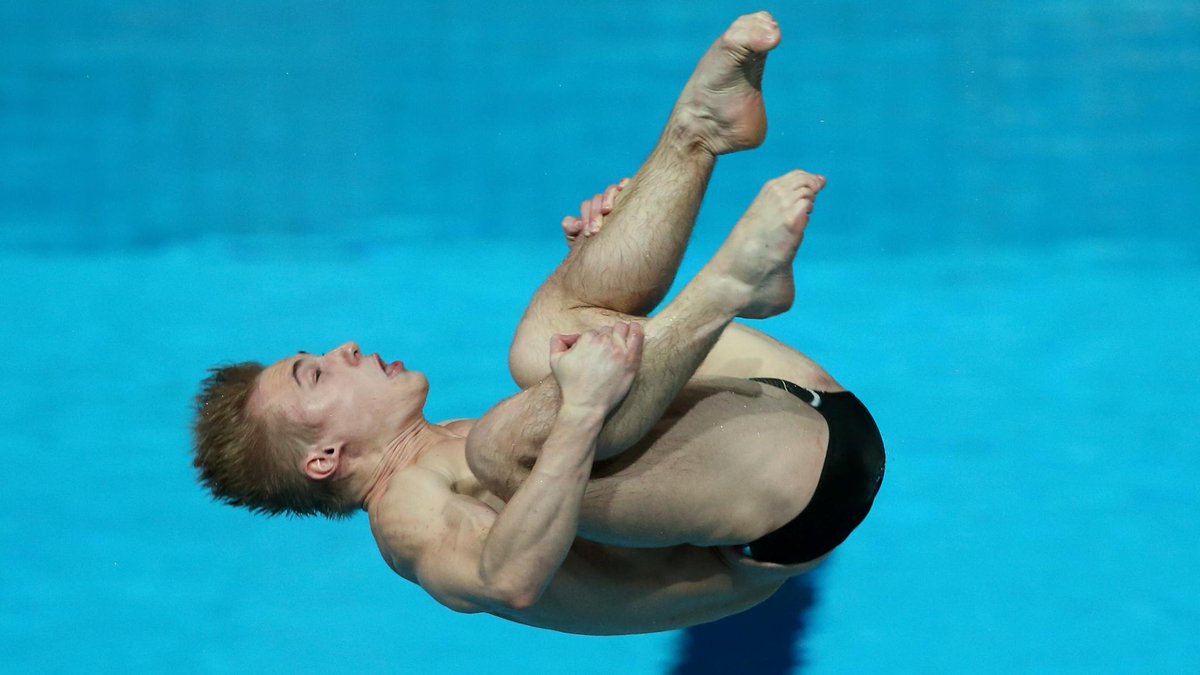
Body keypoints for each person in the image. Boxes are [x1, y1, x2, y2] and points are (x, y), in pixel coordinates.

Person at [192, 12, 885, 635]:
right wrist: (582, 410)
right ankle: (728, 286)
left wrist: (606, 258)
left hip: (804, 412)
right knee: (505, 442)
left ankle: (700, 131)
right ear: (325, 458)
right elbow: (509, 581)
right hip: (800, 502)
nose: (341, 347)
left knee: (540, 345)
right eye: (315, 372)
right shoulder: (406, 522)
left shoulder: (446, 446)